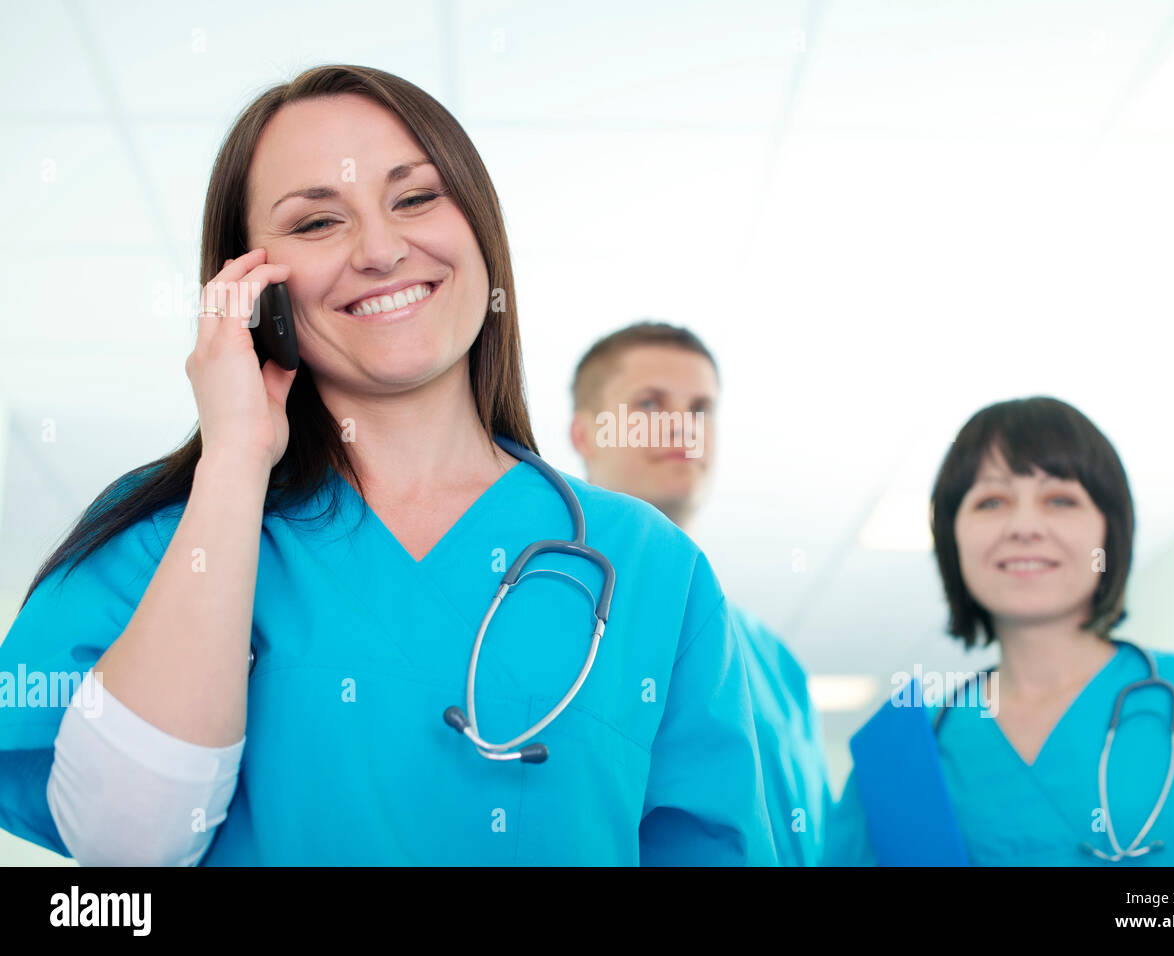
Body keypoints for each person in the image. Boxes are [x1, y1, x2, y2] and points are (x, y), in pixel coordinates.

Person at [0, 65, 777, 866]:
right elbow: (128, 847)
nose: (380, 249)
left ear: (479, 226)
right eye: (315, 223)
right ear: (251, 287)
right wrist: (235, 457)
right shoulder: (167, 533)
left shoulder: (654, 566)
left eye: (414, 199)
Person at [824, 396, 1174, 866]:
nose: (1024, 526)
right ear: (952, 538)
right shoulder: (900, 756)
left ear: (1108, 532)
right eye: (991, 501)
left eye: (1060, 499)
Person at [569, 321, 831, 866]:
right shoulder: (548, 616)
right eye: (649, 403)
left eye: (700, 409)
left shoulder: (774, 659)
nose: (682, 428)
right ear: (584, 434)